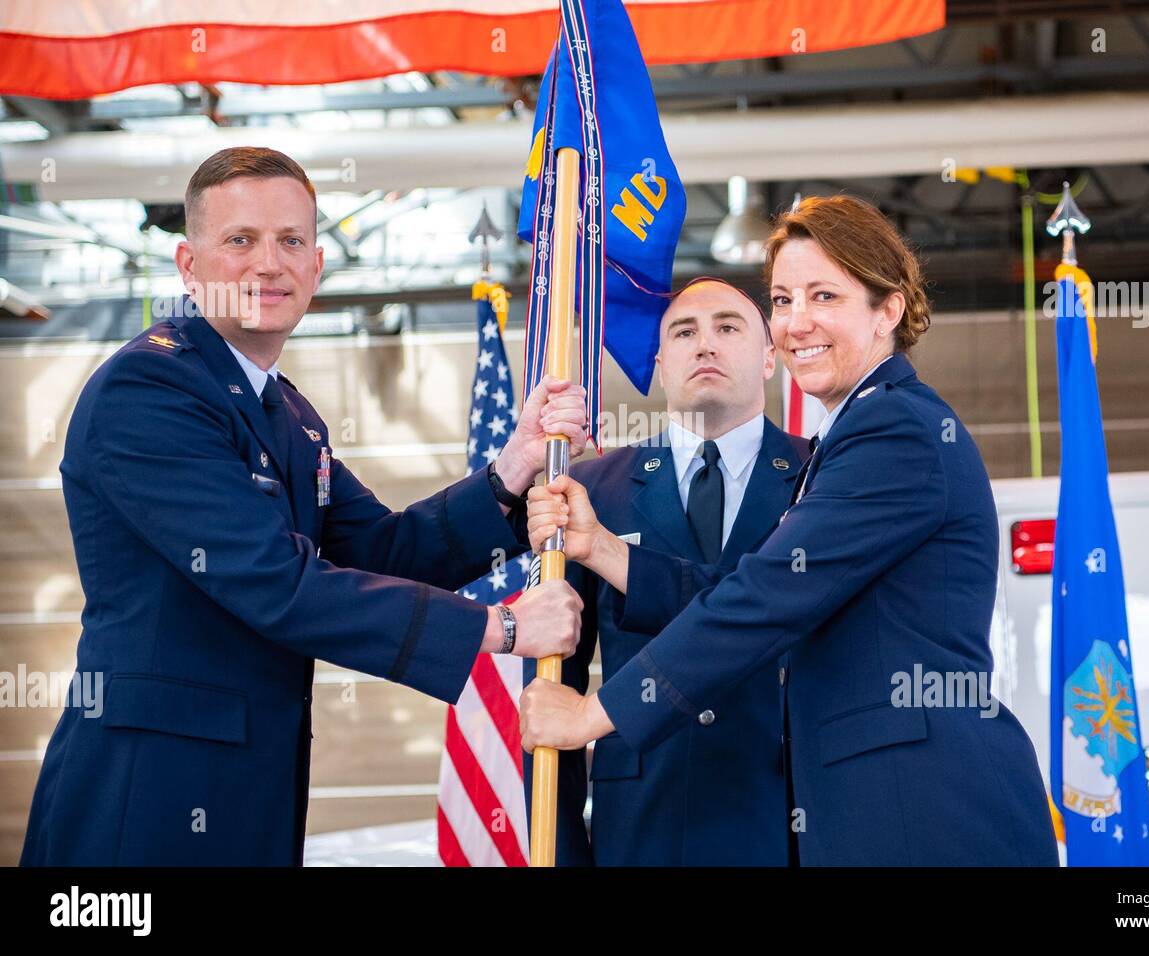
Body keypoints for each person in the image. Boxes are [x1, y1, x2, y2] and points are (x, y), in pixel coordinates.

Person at [22, 146, 586, 866]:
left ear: (317, 266)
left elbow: (381, 552)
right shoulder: (149, 391)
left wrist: (510, 471)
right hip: (145, 801)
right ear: (188, 266)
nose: (268, 263)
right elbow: (276, 583)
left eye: (290, 240)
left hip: (250, 789)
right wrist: (501, 627)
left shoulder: (286, 411)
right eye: (239, 240)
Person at [520, 195, 1059, 866]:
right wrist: (601, 550)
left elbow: (763, 600)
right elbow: (751, 590)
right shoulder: (854, 436)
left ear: (887, 309)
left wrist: (593, 717)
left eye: (824, 296)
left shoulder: (892, 431)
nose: (797, 322)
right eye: (782, 300)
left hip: (921, 814)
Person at [523, 278, 809, 865]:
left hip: (786, 819)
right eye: (684, 332)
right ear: (658, 362)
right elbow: (555, 689)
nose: (705, 345)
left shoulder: (818, 479)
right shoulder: (590, 488)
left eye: (728, 328)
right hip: (641, 828)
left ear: (769, 358)